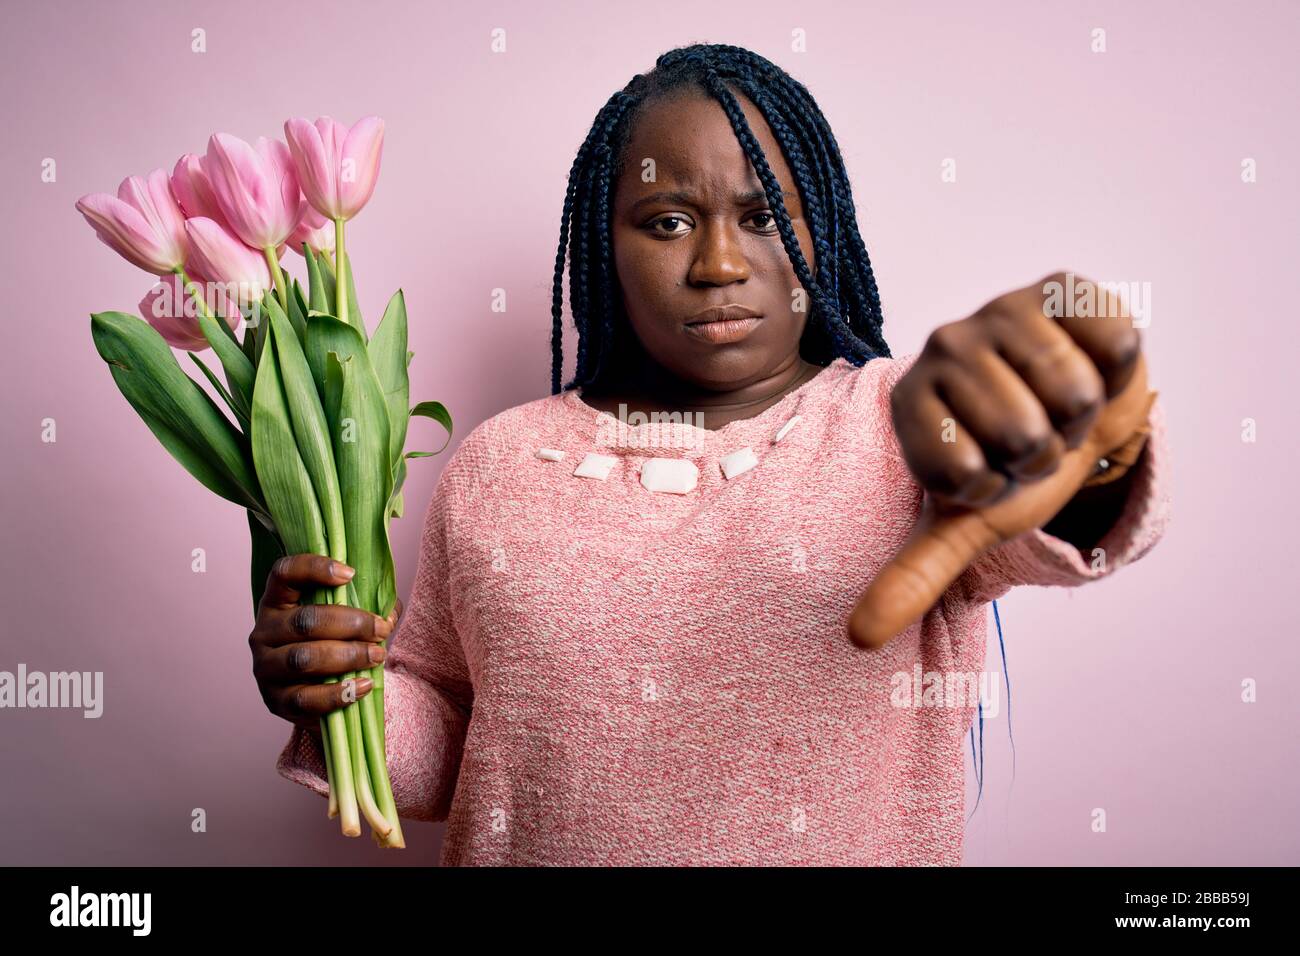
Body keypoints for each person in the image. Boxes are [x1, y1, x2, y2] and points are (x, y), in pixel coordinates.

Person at [249, 43, 1169, 865]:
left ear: (823, 233)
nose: (719, 264)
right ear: (604, 246)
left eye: (765, 218)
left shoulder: (898, 424)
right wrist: (335, 691)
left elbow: (1053, 517)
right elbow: (455, 748)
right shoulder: (501, 463)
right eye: (667, 222)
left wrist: (1083, 446)